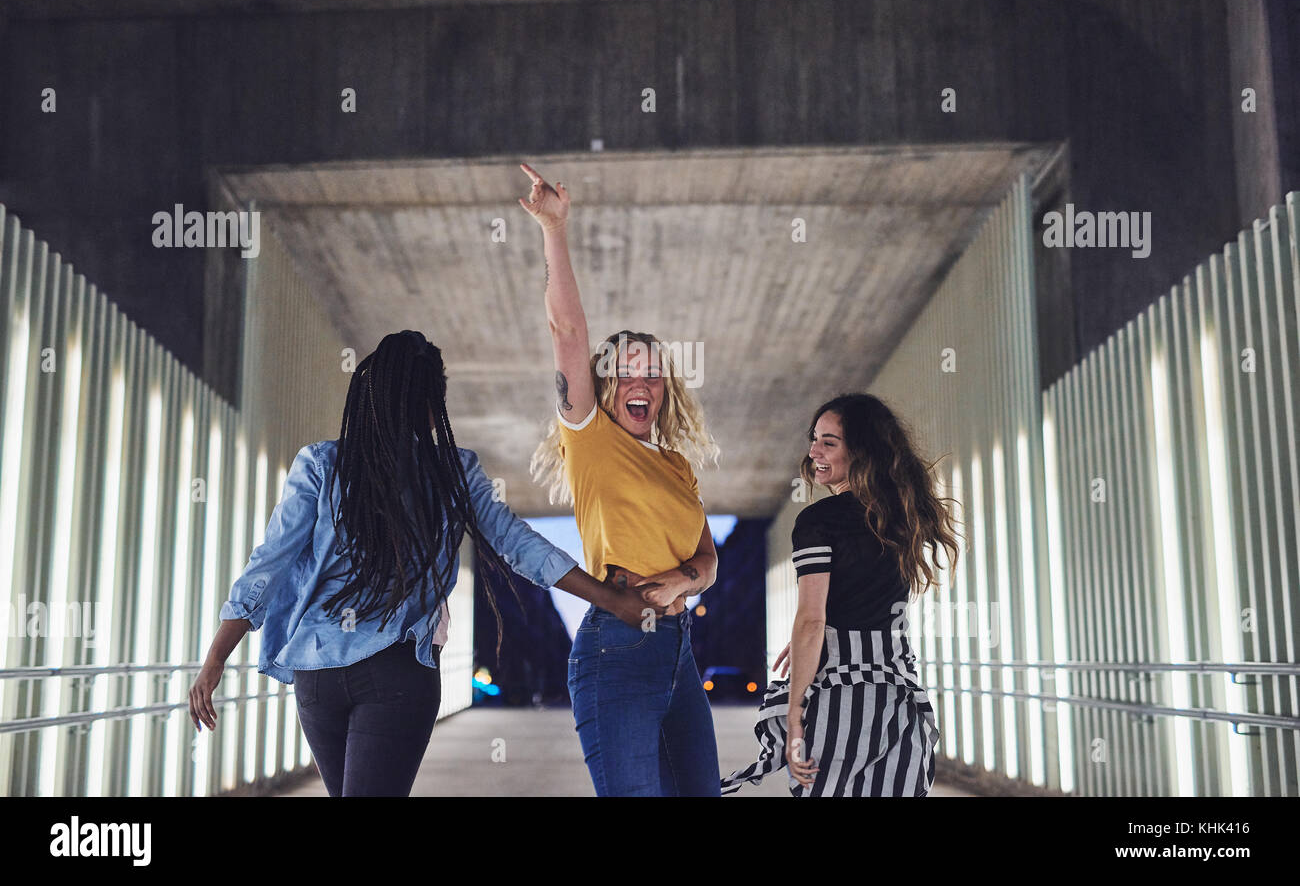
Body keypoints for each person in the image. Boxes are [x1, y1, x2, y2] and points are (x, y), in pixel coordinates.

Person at [187, 329, 654, 796]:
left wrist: (215, 659)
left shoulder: (320, 464)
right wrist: (610, 599)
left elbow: (268, 565)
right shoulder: (451, 471)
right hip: (396, 673)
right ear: (432, 405)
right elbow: (516, 543)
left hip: (317, 673)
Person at [519, 163, 724, 796]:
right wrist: (555, 229)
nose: (642, 384)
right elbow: (568, 331)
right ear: (604, 385)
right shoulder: (590, 438)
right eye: (626, 372)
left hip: (678, 650)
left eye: (653, 374)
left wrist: (685, 580)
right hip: (619, 648)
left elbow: (709, 558)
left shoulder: (675, 465)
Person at [722, 393, 960, 797]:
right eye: (814, 439)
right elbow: (859, 605)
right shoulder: (903, 516)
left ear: (861, 452)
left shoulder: (819, 521)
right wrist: (816, 639)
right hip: (897, 694)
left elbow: (812, 619)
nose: (813, 451)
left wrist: (794, 712)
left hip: (840, 697)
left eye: (828, 442)